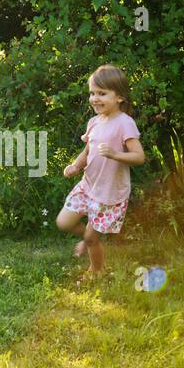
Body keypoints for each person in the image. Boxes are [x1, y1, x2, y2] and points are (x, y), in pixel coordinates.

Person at [56, 65, 145, 278]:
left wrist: (115, 154)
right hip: (88, 186)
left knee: (91, 238)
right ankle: (88, 238)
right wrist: (76, 166)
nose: (95, 98)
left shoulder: (125, 124)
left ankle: (96, 271)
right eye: (92, 93)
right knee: (64, 222)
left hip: (109, 194)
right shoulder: (94, 121)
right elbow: (88, 150)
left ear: (120, 98)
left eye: (102, 94)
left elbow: (139, 157)